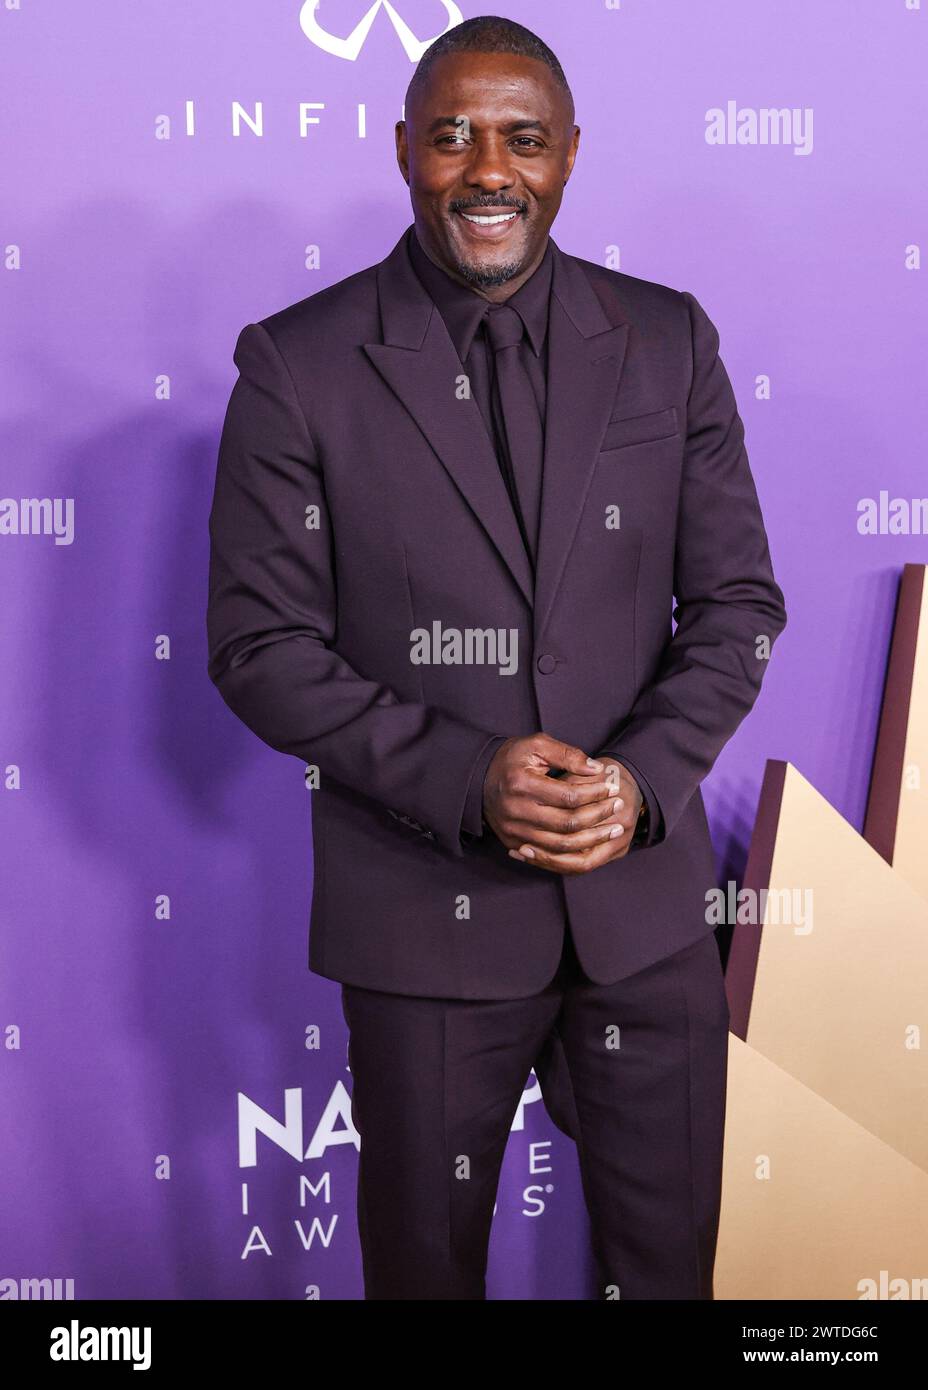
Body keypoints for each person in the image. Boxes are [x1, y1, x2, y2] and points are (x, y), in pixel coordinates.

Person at [206, 15, 787, 1300]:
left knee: (670, 1276)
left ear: (569, 154)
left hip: (642, 922)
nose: (488, 169)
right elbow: (258, 646)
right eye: (453, 135)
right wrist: (471, 779)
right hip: (423, 926)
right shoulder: (297, 366)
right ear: (403, 147)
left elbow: (740, 602)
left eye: (522, 139)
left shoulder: (666, 340)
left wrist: (636, 784)